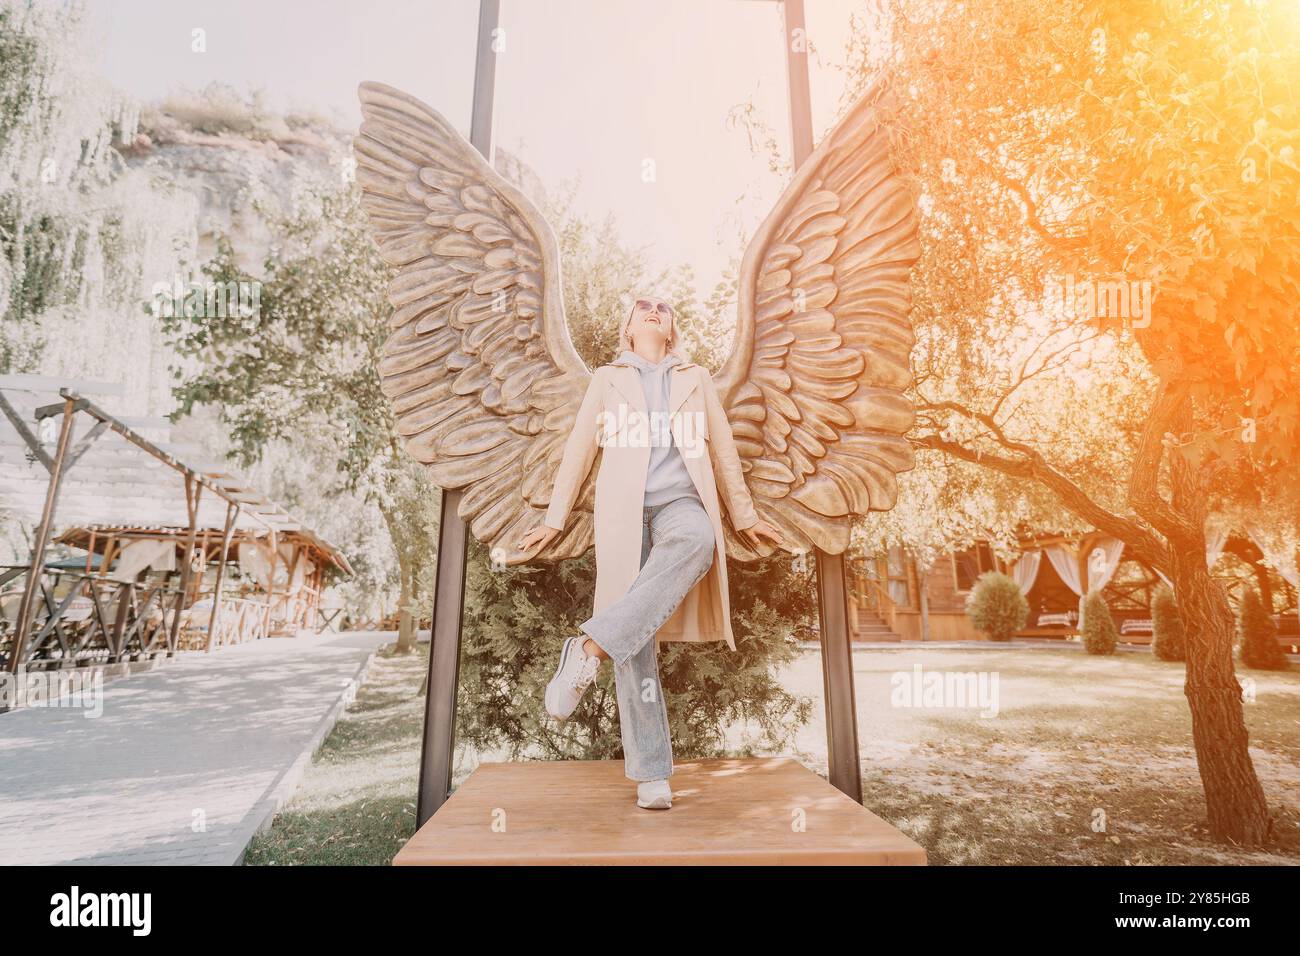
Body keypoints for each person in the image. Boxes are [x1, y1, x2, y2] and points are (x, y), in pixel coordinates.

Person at [517, 295, 784, 809]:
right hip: (623, 510)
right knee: (635, 638)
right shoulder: (607, 378)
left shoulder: (695, 378)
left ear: (671, 327)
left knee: (699, 539)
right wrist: (554, 518)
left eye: (663, 307)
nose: (654, 310)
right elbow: (580, 447)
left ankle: (589, 647)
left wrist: (744, 516)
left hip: (680, 502)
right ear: (629, 326)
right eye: (643, 307)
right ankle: (651, 774)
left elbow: (723, 448)